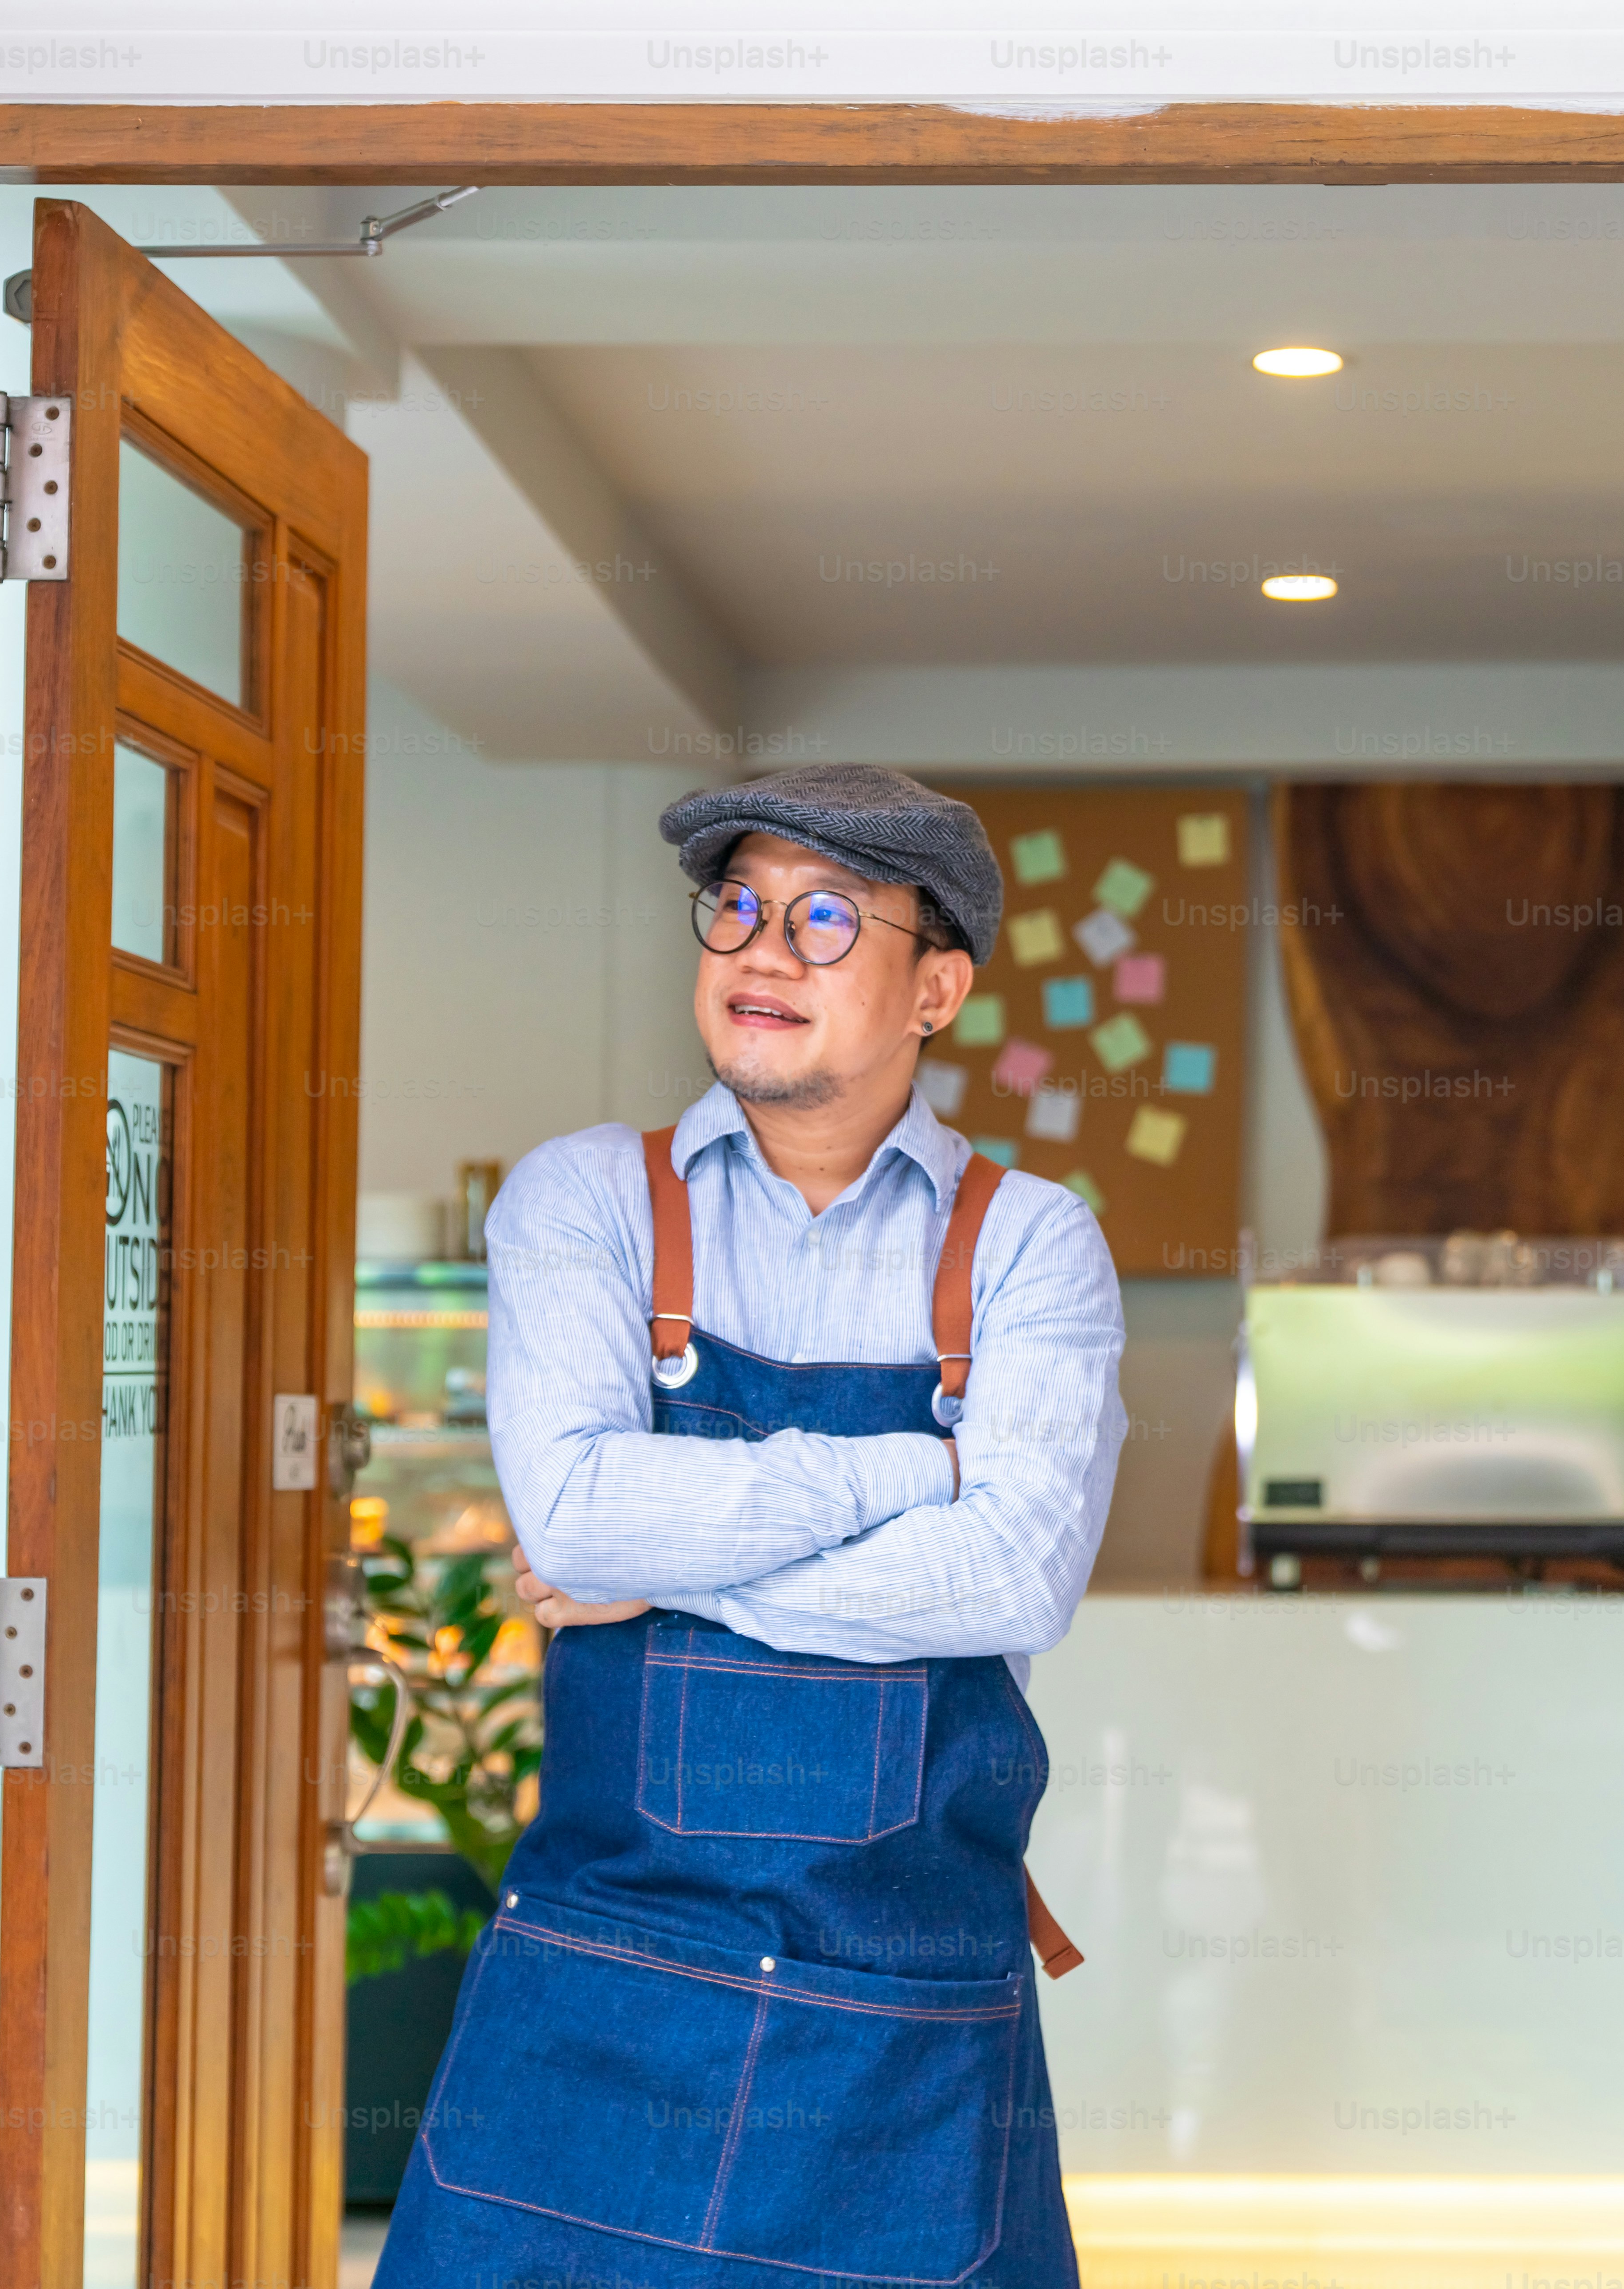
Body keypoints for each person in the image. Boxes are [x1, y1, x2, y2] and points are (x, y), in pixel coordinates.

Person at [375, 763, 1124, 2289]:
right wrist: (910, 1473)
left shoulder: (1033, 1244)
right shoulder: (584, 1199)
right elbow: (575, 1513)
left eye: (828, 916)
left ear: (939, 987)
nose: (762, 949)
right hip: (602, 1999)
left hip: (899, 2037)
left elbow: (1017, 1570)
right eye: (736, 907)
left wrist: (673, 1576)